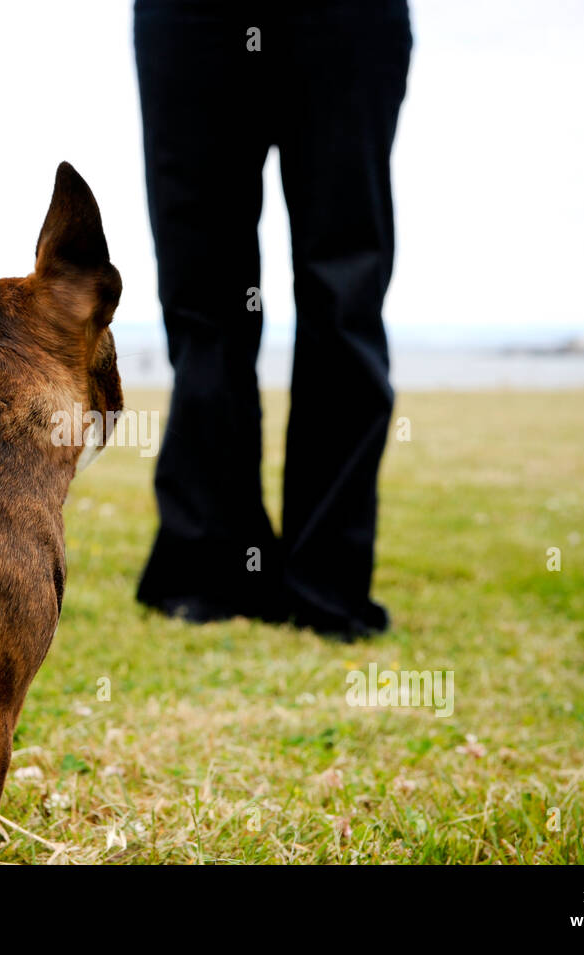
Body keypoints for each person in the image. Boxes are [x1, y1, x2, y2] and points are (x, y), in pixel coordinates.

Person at [133, 0, 413, 638]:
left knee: (343, 292)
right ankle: (209, 567)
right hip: (191, 19)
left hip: (344, 20)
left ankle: (328, 583)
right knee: (203, 300)